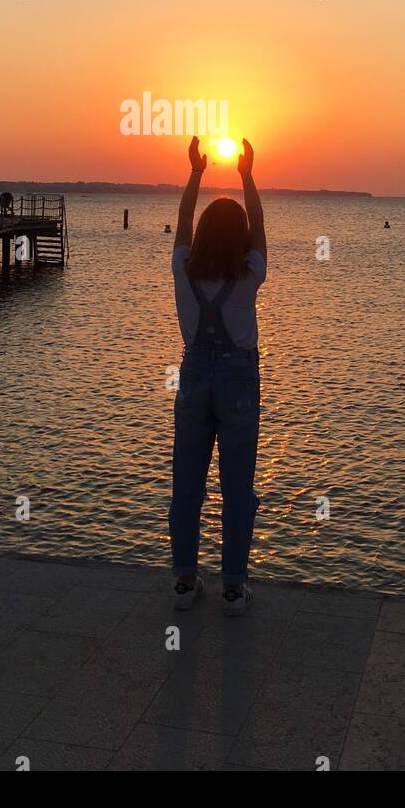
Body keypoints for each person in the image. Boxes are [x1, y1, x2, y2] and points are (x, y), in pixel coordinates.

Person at [169, 135, 266, 616]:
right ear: (241, 237)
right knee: (237, 489)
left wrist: (195, 173)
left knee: (187, 484)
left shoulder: (182, 267)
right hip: (238, 383)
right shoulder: (249, 272)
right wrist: (247, 175)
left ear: (203, 234)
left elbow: (183, 223)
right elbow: (260, 232)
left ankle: (186, 583)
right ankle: (232, 589)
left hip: (193, 377)